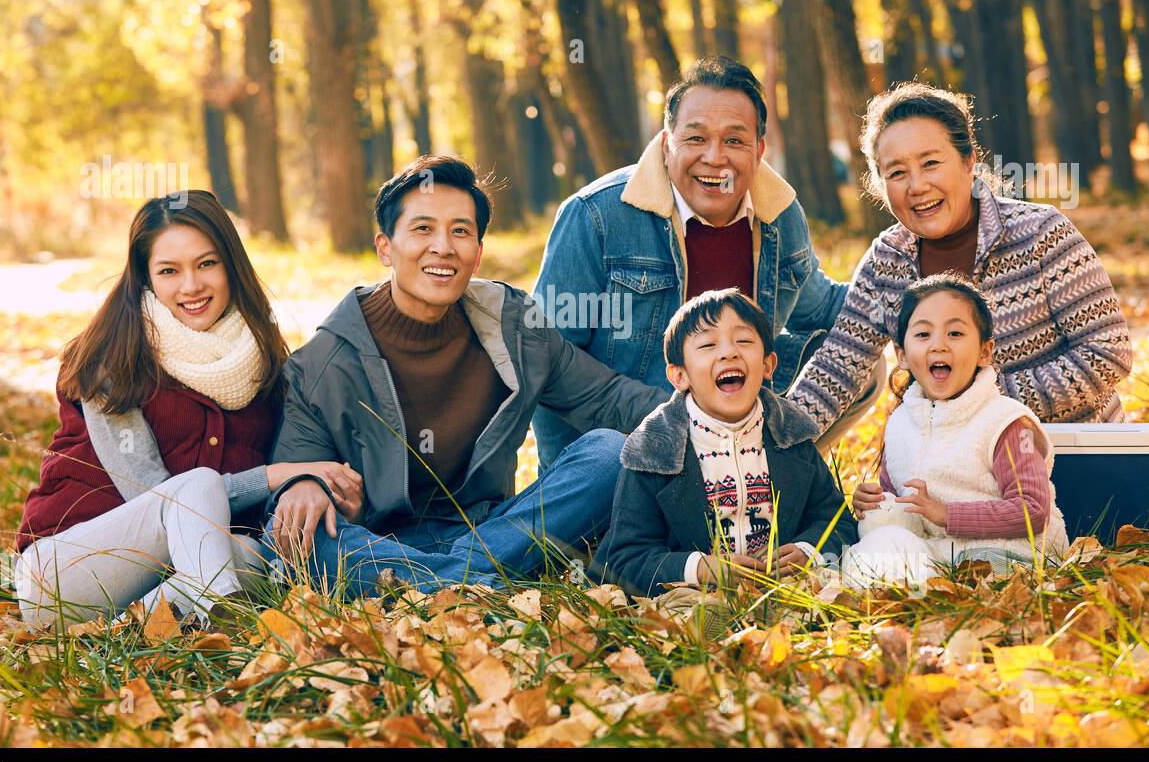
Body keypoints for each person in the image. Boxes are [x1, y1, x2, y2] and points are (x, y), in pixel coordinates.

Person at [266, 156, 668, 599]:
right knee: (305, 536)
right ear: (385, 247)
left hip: (496, 528)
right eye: (422, 229)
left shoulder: (514, 326)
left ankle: (445, 582)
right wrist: (303, 483)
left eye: (460, 231)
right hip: (380, 543)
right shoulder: (319, 363)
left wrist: (711, 411)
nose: (443, 246)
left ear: (477, 254)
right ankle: (480, 580)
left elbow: (609, 398)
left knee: (612, 453)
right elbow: (295, 474)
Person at [15, 190, 361, 630]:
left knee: (268, 549)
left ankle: (140, 623)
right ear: (146, 278)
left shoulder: (264, 362)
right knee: (196, 488)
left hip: (184, 571)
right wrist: (278, 474)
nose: (191, 285)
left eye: (206, 263)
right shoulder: (111, 357)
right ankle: (223, 616)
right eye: (169, 271)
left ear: (231, 265)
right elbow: (157, 496)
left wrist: (312, 483)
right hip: (69, 574)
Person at [531, 56, 884, 470]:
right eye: (696, 139)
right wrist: (561, 476)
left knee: (862, 358)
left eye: (734, 141)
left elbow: (822, 307)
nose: (715, 158)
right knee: (609, 463)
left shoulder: (778, 215)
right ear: (667, 144)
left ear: (759, 151)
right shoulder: (596, 216)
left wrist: (914, 292)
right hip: (626, 438)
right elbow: (547, 358)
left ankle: (777, 473)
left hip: (736, 418)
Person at [790, 81, 1133, 435]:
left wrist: (979, 401)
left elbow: (1108, 352)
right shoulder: (886, 261)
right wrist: (768, 439)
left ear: (969, 161)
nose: (917, 186)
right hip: (949, 469)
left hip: (1069, 454)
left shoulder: (1041, 234)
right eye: (896, 172)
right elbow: (836, 369)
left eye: (931, 163)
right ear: (880, 184)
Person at [595, 288, 857, 598]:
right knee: (684, 604)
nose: (729, 352)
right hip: (694, 591)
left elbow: (839, 524)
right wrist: (699, 568)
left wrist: (807, 550)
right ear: (680, 376)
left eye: (744, 341)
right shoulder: (653, 451)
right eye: (707, 344)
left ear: (768, 365)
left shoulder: (790, 436)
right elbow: (624, 560)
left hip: (784, 587)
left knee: (837, 587)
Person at [840, 273, 1069, 587]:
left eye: (955, 333)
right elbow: (901, 505)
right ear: (903, 355)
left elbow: (1033, 510)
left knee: (979, 575)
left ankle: (932, 591)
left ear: (984, 352)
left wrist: (947, 514)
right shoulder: (900, 425)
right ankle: (904, 592)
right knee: (878, 549)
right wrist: (877, 504)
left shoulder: (1008, 423)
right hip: (938, 553)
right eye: (923, 334)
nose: (938, 345)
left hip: (1014, 553)